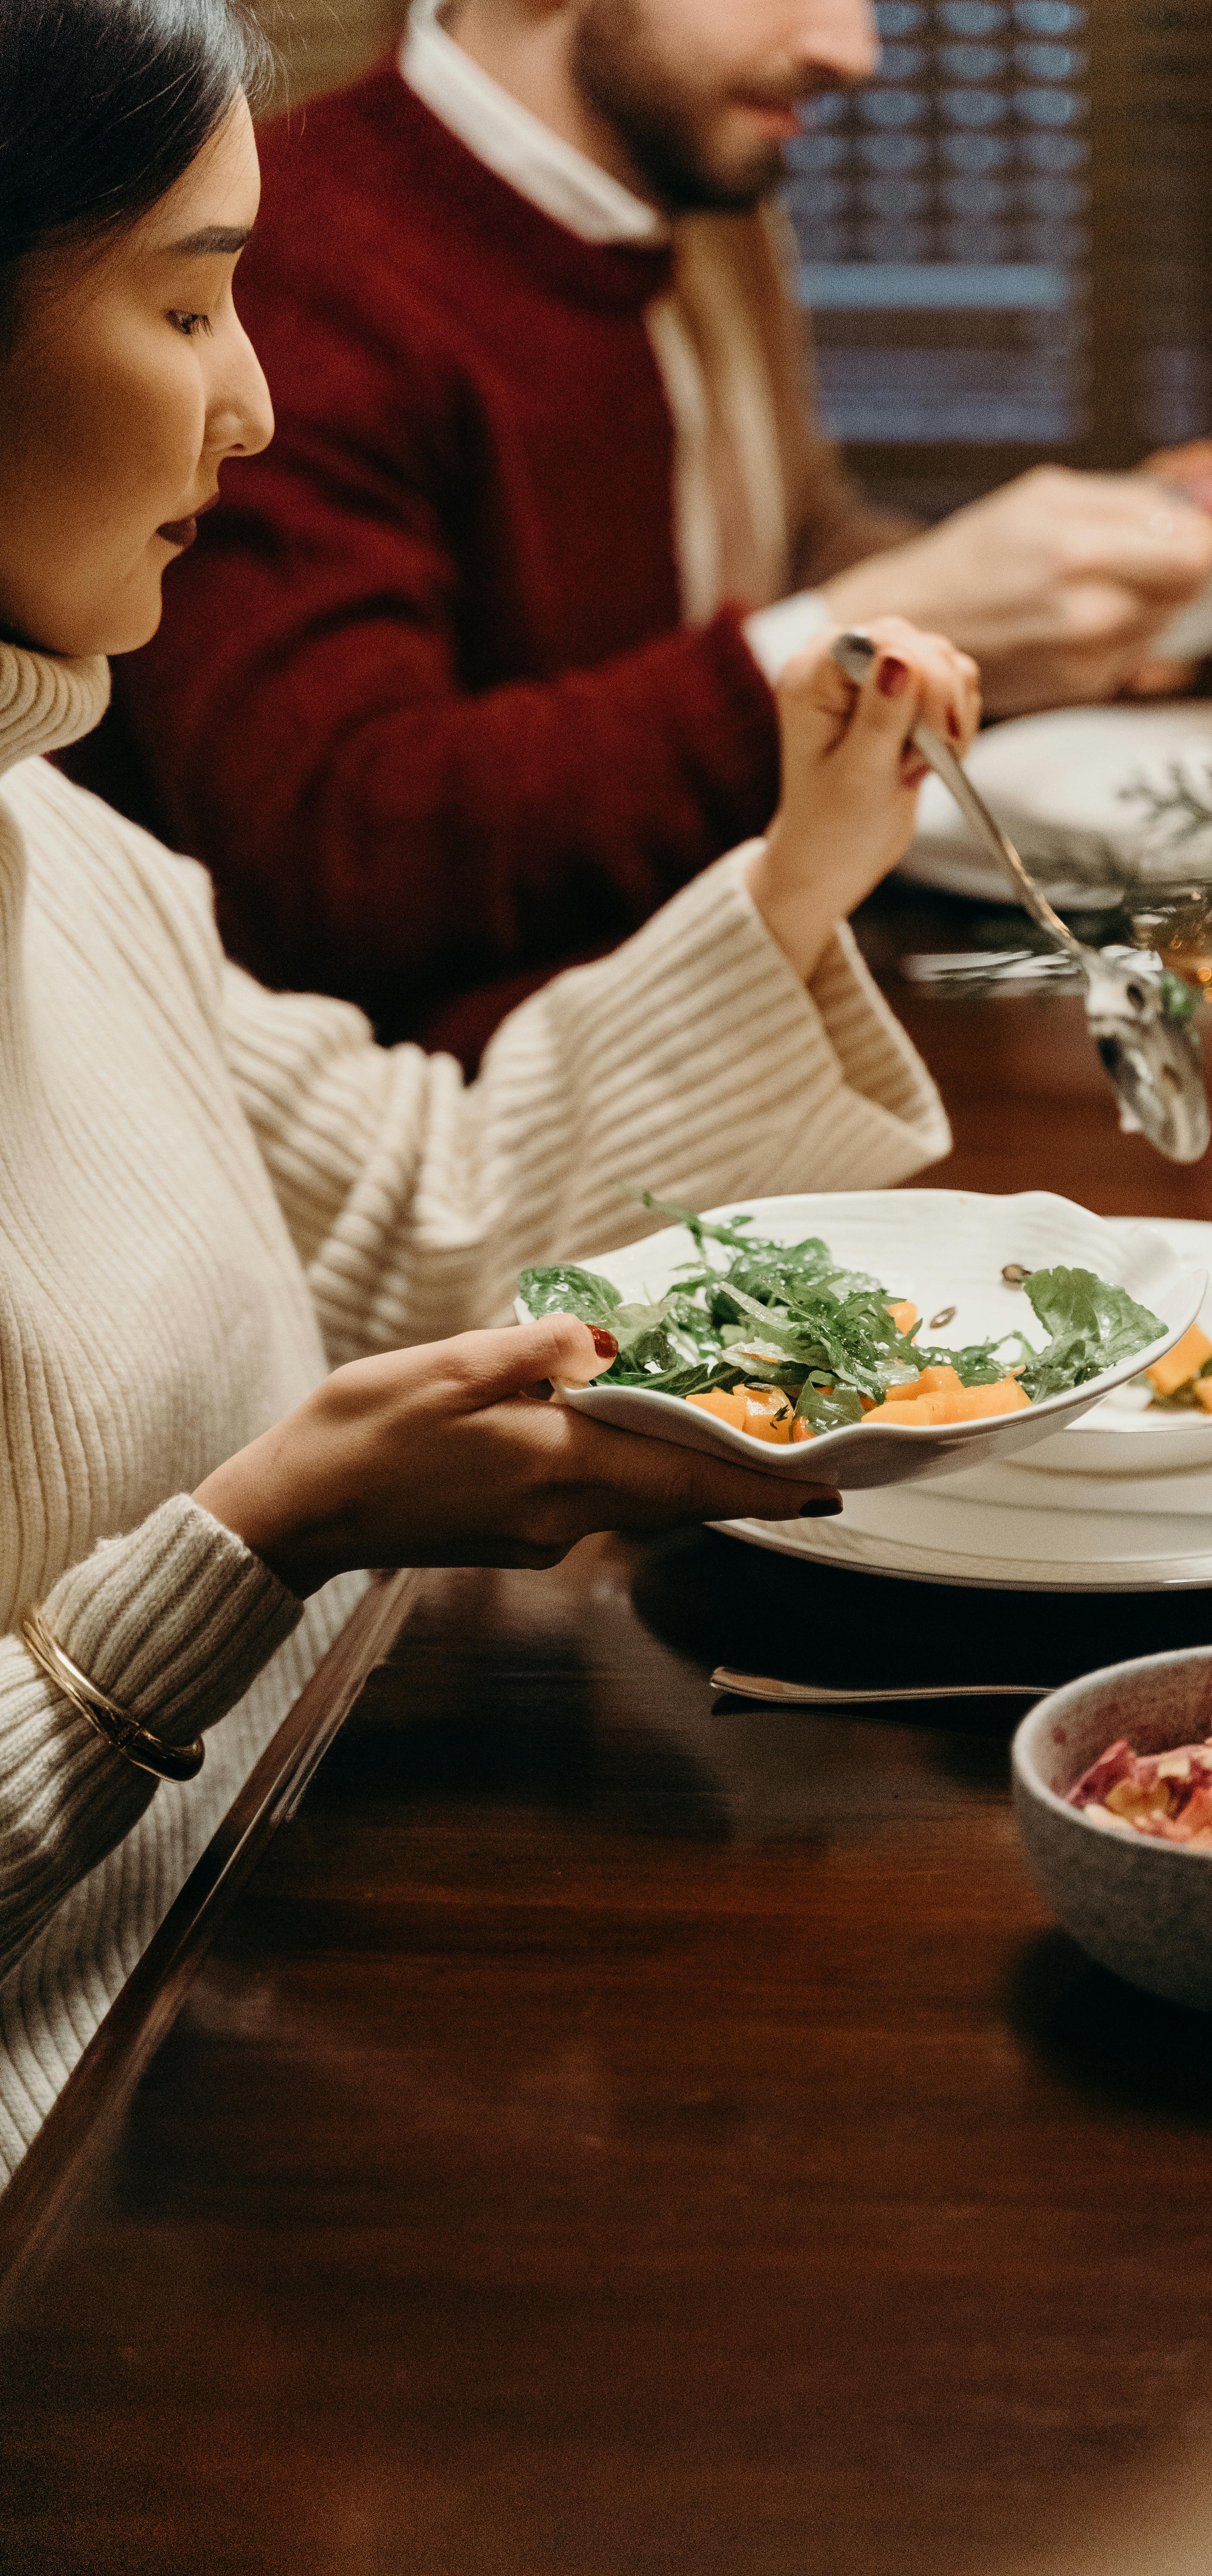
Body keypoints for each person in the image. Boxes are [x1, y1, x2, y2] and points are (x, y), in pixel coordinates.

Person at [0, 0, 968, 2179]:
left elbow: (424, 1211)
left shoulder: (59, 834)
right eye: (184, 305)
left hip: (272, 1963)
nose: (253, 405)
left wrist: (795, 887)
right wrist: (260, 1545)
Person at [71, 0, 1212, 1060]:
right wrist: (856, 637)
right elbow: (335, 855)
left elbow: (785, 548)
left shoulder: (694, 187)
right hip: (477, 1146)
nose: (854, 46)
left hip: (746, 1013)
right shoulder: (281, 260)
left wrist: (1087, 591)